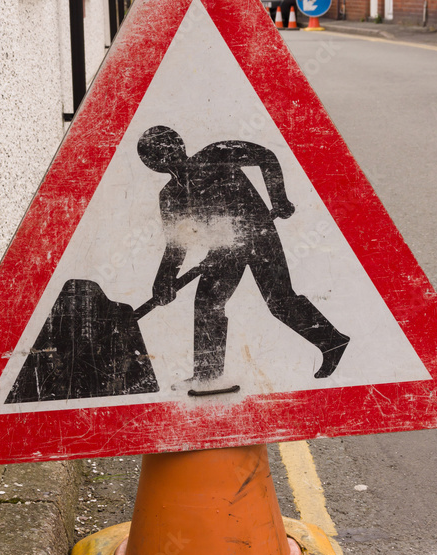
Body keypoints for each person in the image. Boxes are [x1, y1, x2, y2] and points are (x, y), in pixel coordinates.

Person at [137, 126, 349, 386]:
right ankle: (208, 376)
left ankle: (332, 341)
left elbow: (266, 157)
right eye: (158, 156)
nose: (167, 159)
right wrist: (164, 280)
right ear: (152, 164)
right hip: (223, 251)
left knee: (280, 301)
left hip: (258, 234)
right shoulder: (170, 196)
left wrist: (278, 198)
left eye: (168, 149)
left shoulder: (214, 154)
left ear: (179, 144)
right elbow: (177, 244)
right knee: (206, 305)